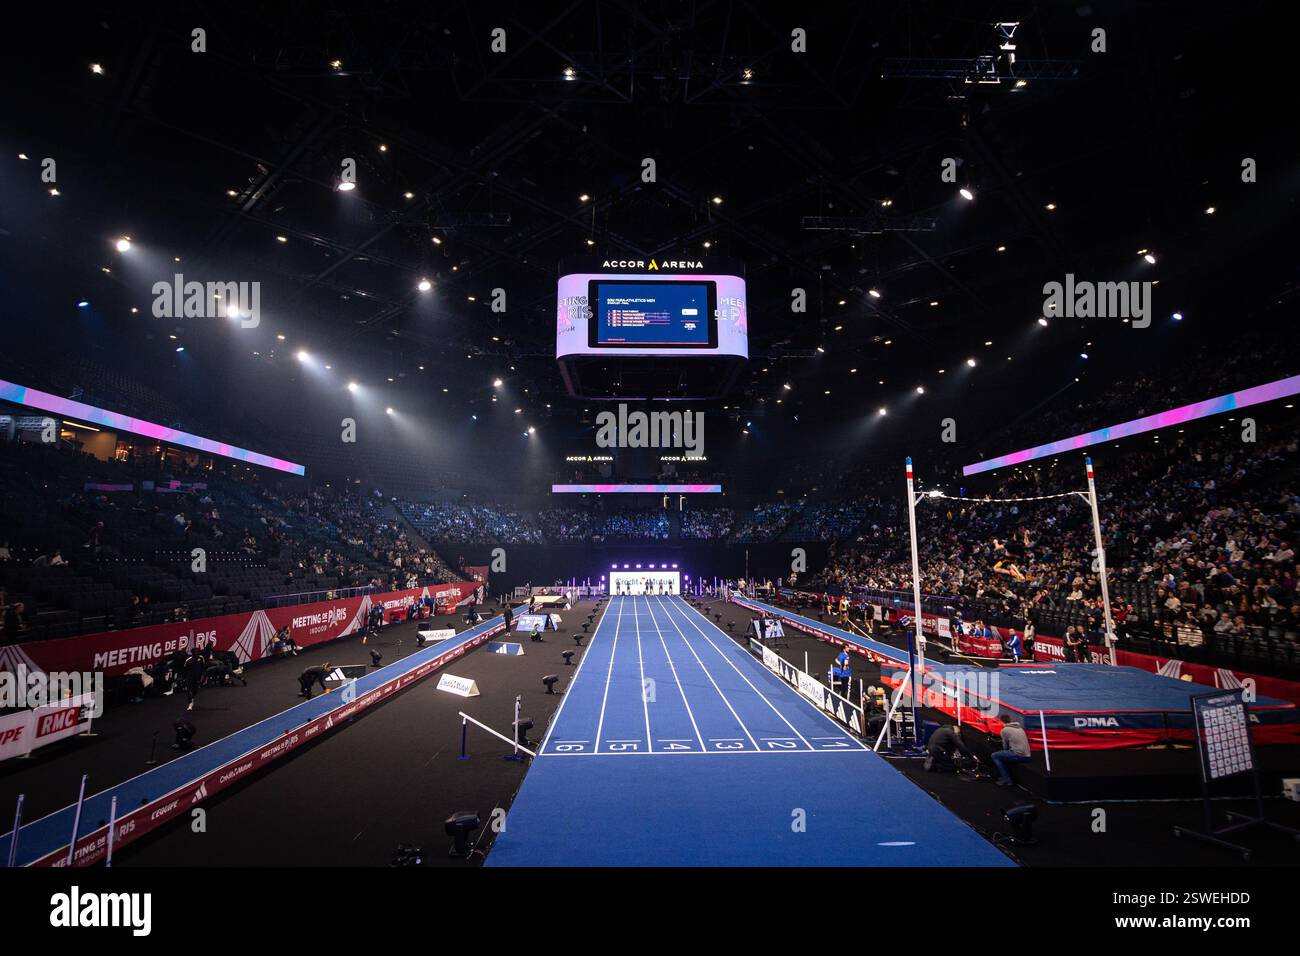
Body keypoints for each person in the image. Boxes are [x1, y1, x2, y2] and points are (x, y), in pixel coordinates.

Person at [990, 714, 1032, 787]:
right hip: (1027, 755)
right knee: (1002, 755)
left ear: (1001, 721)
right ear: (1010, 720)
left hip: (1020, 755)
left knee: (994, 756)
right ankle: (1006, 778)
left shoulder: (1004, 730)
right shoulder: (1020, 728)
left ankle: (1006, 779)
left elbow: (1005, 747)